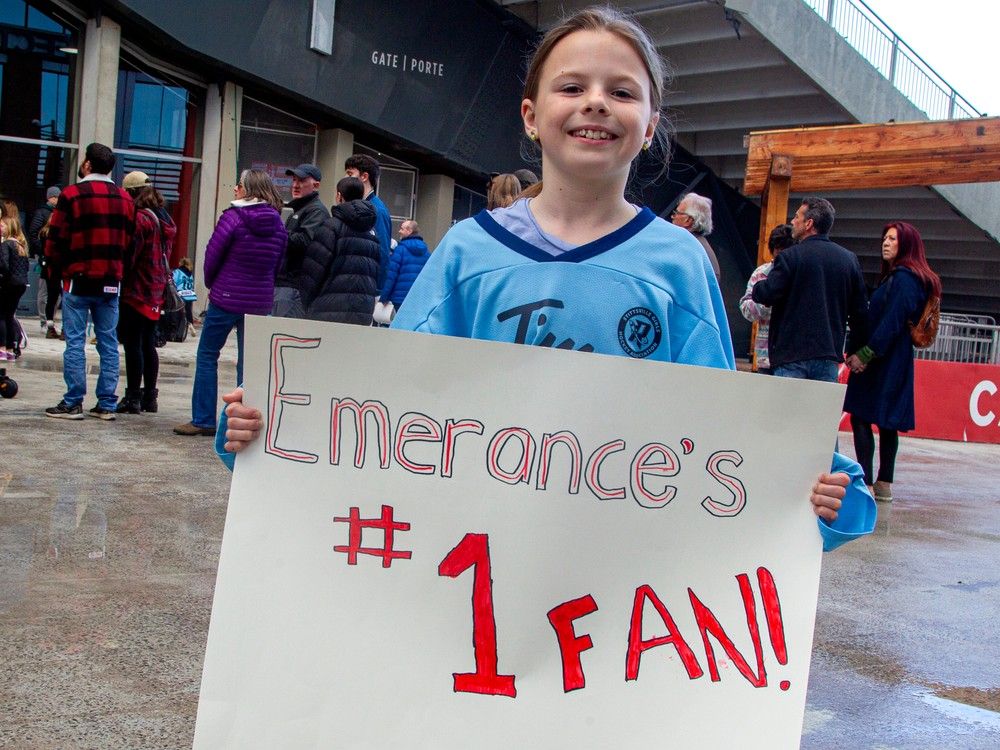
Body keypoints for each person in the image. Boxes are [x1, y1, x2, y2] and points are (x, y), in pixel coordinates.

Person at [220, 6, 874, 550]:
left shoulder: (677, 266)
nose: (596, 102)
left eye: (622, 91)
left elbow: (714, 443)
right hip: (468, 556)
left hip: (614, 579)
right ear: (531, 114)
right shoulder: (469, 253)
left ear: (649, 126)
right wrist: (277, 432)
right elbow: (388, 422)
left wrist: (807, 488)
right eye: (572, 86)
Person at [173, 169, 286, 436]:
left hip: (226, 298)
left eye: (238, 185)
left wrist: (214, 285)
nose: (234, 190)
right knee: (249, 364)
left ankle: (203, 419)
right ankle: (244, 422)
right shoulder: (279, 224)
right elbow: (277, 265)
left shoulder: (233, 218)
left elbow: (212, 256)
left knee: (208, 355)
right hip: (259, 303)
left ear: (247, 189)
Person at [844, 222, 941, 503]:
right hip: (890, 358)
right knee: (885, 422)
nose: (885, 243)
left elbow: (892, 320)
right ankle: (882, 482)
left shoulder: (905, 279)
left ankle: (871, 480)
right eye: (884, 238)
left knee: (862, 417)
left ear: (907, 245)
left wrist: (865, 354)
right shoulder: (901, 277)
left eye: (893, 239)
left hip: (884, 359)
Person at [43, 142, 136, 421]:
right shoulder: (125, 199)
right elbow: (131, 243)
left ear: (87, 165)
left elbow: (56, 237)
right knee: (108, 342)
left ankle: (73, 401)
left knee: (75, 341)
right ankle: (107, 402)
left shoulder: (72, 195)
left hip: (78, 277)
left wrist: (53, 271)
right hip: (111, 280)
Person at [751, 197, 868, 382]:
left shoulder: (790, 257)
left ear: (809, 223)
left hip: (790, 355)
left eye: (797, 217)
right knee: (820, 411)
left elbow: (768, 293)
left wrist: (757, 287)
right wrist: (856, 350)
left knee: (786, 411)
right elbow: (859, 312)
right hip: (828, 354)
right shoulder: (848, 260)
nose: (792, 221)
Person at [116, 172, 176, 415]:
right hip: (156, 290)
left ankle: (132, 397)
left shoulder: (141, 219)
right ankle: (150, 396)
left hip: (137, 289)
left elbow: (131, 255)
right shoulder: (165, 219)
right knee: (148, 344)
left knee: (133, 344)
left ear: (131, 193)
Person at [301, 176, 380, 324]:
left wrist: (305, 303)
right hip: (362, 310)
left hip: (327, 308)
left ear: (339, 196)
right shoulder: (372, 234)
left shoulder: (331, 227)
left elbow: (313, 271)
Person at [273, 164, 330, 318]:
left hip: (294, 285)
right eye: (294, 180)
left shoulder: (316, 211)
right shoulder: (299, 210)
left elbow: (303, 241)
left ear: (316, 185)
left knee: (282, 334)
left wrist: (275, 231)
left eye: (302, 181)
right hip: (285, 283)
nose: (295, 185)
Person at [739, 224, 795, 374]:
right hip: (765, 357)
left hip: (792, 357)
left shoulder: (798, 275)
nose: (781, 254)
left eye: (786, 250)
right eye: (778, 249)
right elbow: (745, 307)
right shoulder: (761, 273)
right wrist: (766, 303)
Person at [344, 154, 391, 289]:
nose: (346, 178)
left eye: (350, 173)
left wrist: (377, 290)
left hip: (366, 287)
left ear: (364, 177)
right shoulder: (358, 206)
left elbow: (382, 252)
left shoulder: (377, 210)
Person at [379, 219, 429, 312]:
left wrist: (384, 297)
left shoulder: (400, 250)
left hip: (399, 298)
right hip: (418, 298)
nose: (399, 231)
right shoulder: (426, 251)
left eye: (402, 229)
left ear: (409, 231)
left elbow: (391, 275)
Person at [30, 186, 61, 331]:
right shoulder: (42, 213)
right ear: (50, 197)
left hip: (54, 259)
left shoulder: (59, 213)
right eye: (56, 197)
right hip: (45, 257)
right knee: (45, 290)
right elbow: (34, 233)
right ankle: (44, 320)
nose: (57, 200)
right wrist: (41, 252)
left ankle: (50, 318)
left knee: (55, 292)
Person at [671, 192, 720, 281]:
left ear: (688, 220)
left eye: (677, 213)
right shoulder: (698, 244)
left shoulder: (688, 247)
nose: (672, 216)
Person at [0, 216, 29, 361]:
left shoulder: (6, 244)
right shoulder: (21, 245)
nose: (0, 228)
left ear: (10, 227)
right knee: (10, 317)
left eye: (2, 226)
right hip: (20, 285)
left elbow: (4, 265)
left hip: (8, 284)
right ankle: (11, 349)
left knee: (1, 316)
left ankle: (2, 348)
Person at [174, 257, 198, 337]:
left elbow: (174, 282)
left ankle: (177, 327)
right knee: (188, 310)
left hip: (180, 294)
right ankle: (190, 323)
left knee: (178, 311)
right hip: (189, 294)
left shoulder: (177, 272)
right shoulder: (190, 274)